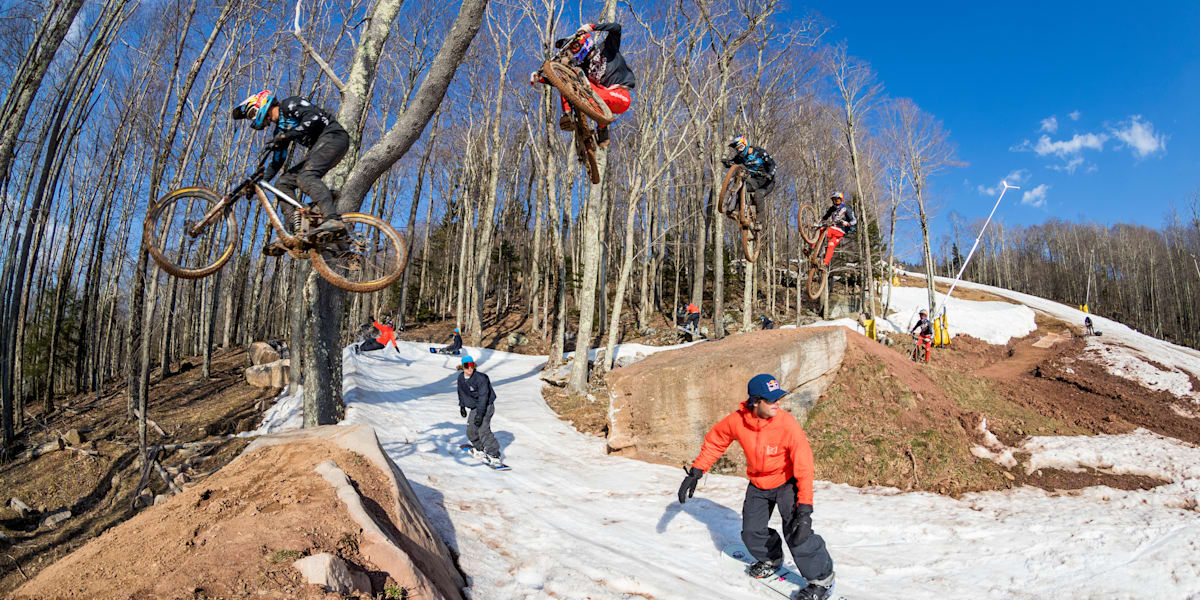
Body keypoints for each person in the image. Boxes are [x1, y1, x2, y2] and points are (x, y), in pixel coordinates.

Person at [678, 374, 836, 600]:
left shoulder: (787, 424)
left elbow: (804, 466)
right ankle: (772, 558)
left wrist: (805, 508)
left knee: (798, 533)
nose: (777, 404)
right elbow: (716, 441)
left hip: (786, 483)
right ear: (755, 402)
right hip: (758, 484)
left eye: (778, 398)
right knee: (751, 532)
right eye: (771, 400)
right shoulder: (737, 421)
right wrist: (696, 471)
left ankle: (822, 579)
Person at [232, 90, 349, 255]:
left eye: (252, 113)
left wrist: (288, 136)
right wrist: (259, 181)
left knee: (305, 176)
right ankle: (296, 231)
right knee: (282, 183)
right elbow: (278, 161)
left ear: (261, 103)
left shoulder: (289, 104)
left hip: (334, 137)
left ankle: (332, 219)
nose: (253, 118)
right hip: (320, 148)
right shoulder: (279, 130)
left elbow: (314, 118)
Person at [535, 23, 636, 148]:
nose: (572, 51)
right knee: (569, 79)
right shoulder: (583, 67)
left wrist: (592, 26)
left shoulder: (607, 48)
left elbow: (617, 28)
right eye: (571, 50)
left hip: (621, 95)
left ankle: (602, 128)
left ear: (584, 42)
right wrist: (542, 79)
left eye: (575, 47)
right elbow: (559, 82)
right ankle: (568, 115)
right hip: (599, 95)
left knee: (592, 91)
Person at [457, 355, 502, 467]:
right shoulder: (461, 378)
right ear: (462, 367)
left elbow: (483, 397)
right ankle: (479, 448)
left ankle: (494, 455)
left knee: (483, 430)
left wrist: (480, 415)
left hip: (486, 406)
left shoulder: (481, 378)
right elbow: (461, 392)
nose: (470, 369)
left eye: (472, 365)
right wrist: (462, 406)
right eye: (467, 366)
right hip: (475, 407)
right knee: (470, 431)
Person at [722, 135, 776, 222]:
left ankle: (759, 220)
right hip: (755, 181)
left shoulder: (760, 153)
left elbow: (772, 164)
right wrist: (726, 162)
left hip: (767, 182)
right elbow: (732, 163)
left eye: (740, 147)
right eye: (737, 149)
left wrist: (770, 174)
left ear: (746, 144)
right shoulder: (741, 157)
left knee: (758, 194)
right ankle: (737, 210)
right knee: (742, 186)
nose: (739, 150)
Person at [817, 192, 857, 267]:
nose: (836, 202)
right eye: (834, 200)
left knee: (831, 244)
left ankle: (825, 263)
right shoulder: (832, 208)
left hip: (841, 231)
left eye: (837, 200)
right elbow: (825, 217)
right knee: (821, 229)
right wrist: (818, 222)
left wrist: (848, 223)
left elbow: (854, 220)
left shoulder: (846, 208)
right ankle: (812, 248)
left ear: (841, 200)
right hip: (833, 228)